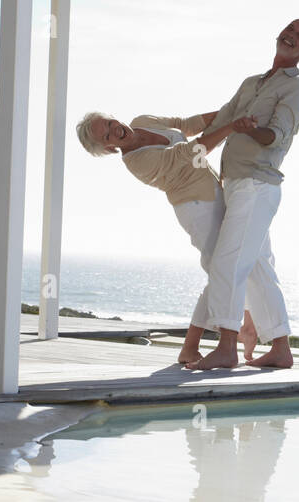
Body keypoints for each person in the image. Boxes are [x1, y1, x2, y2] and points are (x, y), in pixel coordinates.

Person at [74, 110, 274, 365]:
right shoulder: (137, 162)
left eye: (111, 123)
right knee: (223, 271)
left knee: (231, 267)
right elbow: (187, 153)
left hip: (217, 192)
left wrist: (229, 109)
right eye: (107, 135)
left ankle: (234, 329)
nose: (115, 130)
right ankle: (203, 342)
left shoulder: (142, 122)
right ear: (109, 147)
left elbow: (185, 125)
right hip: (196, 208)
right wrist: (231, 127)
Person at [189, 19, 299, 370]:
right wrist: (170, 133)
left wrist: (251, 128)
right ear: (279, 36)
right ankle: (280, 348)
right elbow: (216, 125)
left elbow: (278, 136)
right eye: (290, 29)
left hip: (257, 186)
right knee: (259, 267)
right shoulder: (251, 83)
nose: (292, 35)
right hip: (234, 185)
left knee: (227, 262)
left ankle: (227, 346)